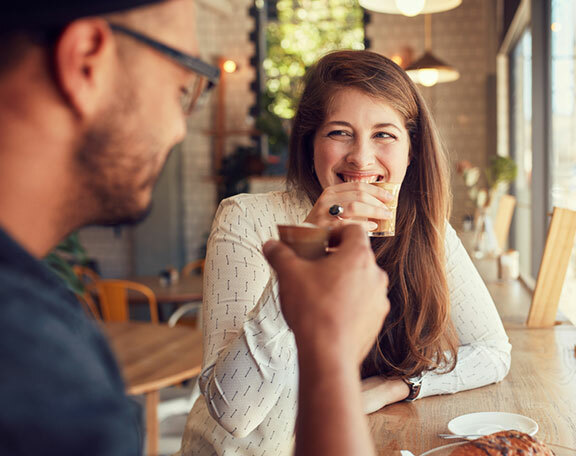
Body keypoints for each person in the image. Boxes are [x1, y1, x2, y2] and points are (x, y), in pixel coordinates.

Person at [0, 2, 388, 455]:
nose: (179, 129)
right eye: (186, 86)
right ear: (86, 58)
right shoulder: (36, 372)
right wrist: (331, 354)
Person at [179, 50, 512, 455]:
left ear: (411, 149)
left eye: (384, 134)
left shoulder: (427, 230)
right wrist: (308, 248)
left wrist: (396, 386)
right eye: (339, 132)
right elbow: (234, 413)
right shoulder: (246, 219)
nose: (361, 157)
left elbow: (493, 353)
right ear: (310, 144)